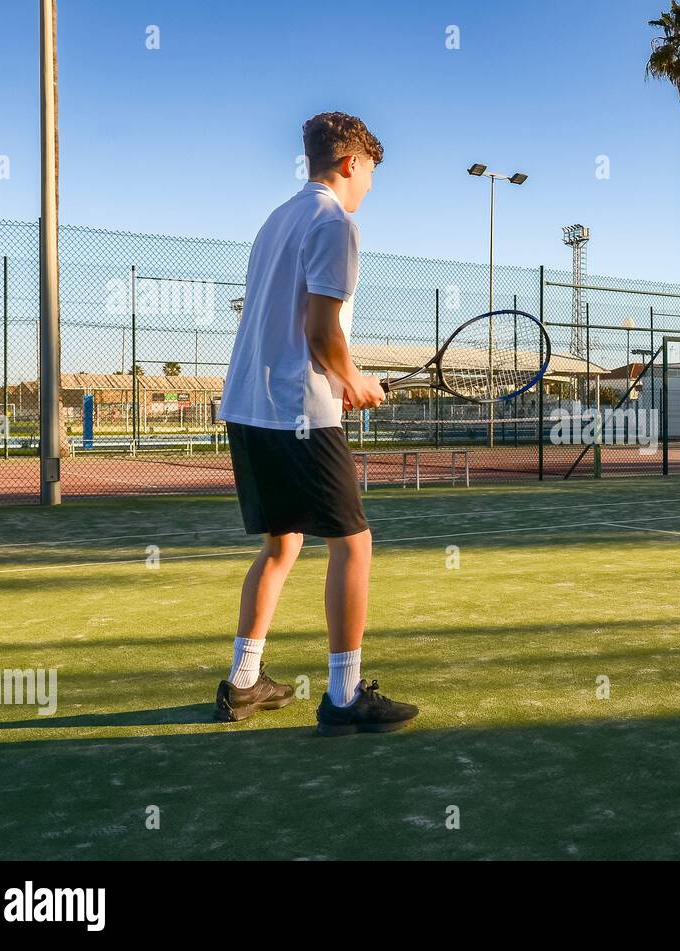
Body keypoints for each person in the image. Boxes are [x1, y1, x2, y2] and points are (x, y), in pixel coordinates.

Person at [213, 111, 418, 737]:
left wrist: (343, 371)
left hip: (246, 406)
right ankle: (344, 695)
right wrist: (354, 379)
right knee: (353, 544)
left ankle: (244, 682)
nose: (370, 188)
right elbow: (322, 332)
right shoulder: (336, 222)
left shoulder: (275, 221)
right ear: (351, 162)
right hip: (298, 412)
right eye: (372, 174)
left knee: (282, 545)